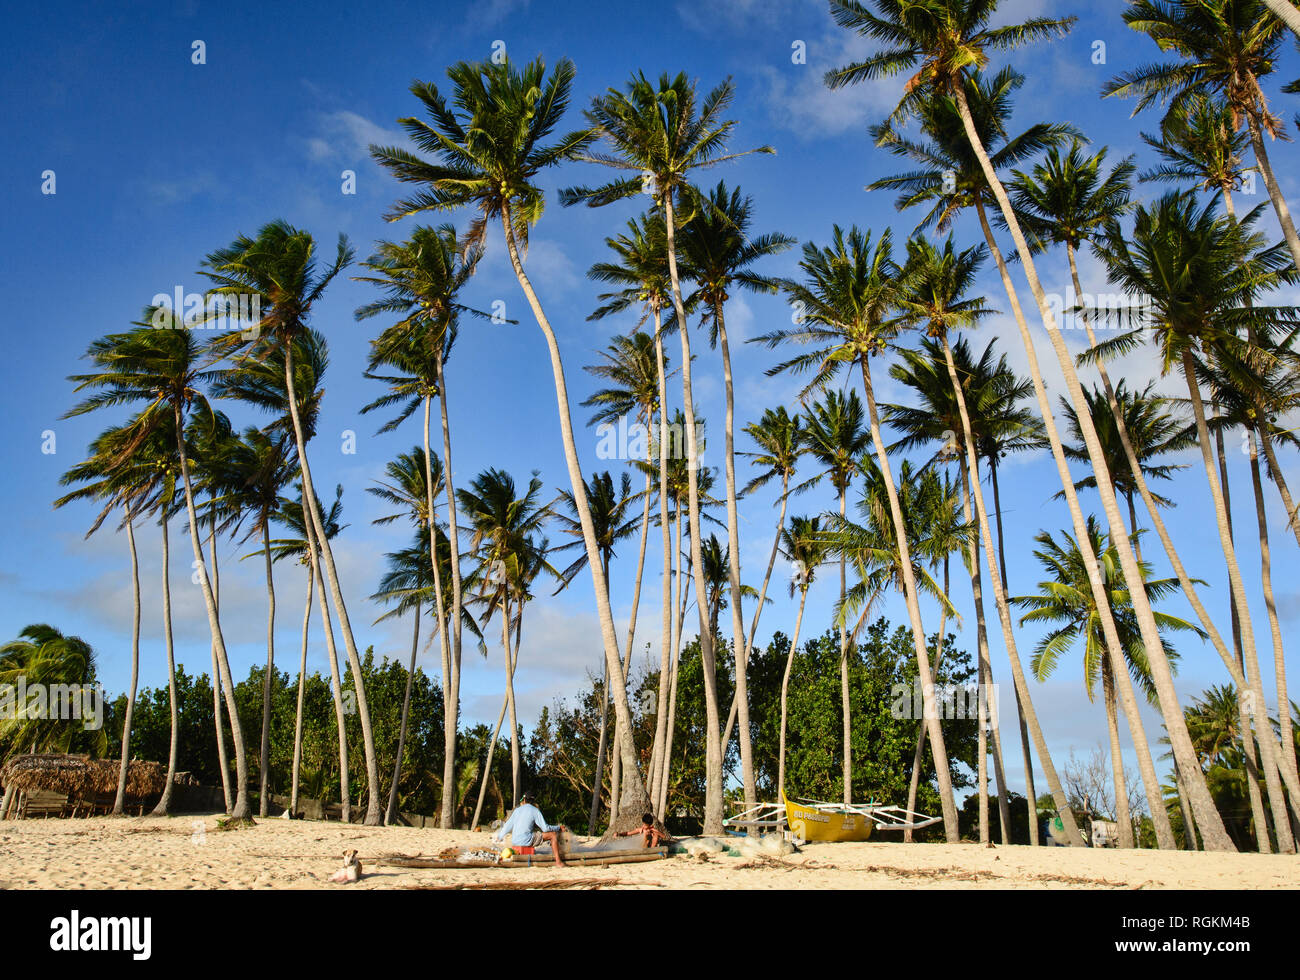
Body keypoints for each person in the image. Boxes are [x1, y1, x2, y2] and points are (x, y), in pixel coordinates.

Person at [493, 793, 567, 867]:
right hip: (526, 840)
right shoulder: (535, 810)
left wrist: (499, 837)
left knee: (534, 834)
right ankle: (558, 861)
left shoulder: (516, 810)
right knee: (552, 835)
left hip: (515, 841)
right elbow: (545, 828)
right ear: (533, 801)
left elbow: (507, 826)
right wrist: (558, 828)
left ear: (524, 800)